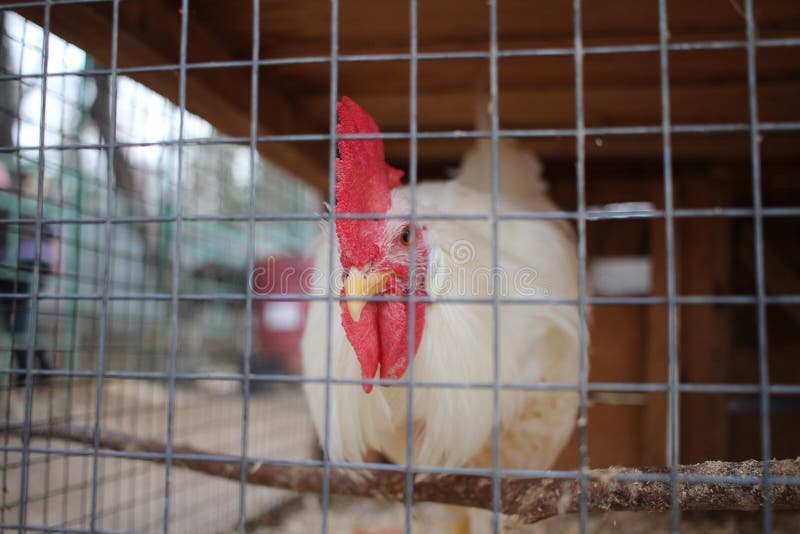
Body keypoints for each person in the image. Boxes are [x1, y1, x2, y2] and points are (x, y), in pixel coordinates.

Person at [0, 160, 58, 386]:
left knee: (20, 317)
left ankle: (29, 370)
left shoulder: (33, 207)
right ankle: (39, 365)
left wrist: (52, 262)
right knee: (19, 318)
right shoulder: (18, 203)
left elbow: (52, 239)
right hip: (14, 266)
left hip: (22, 266)